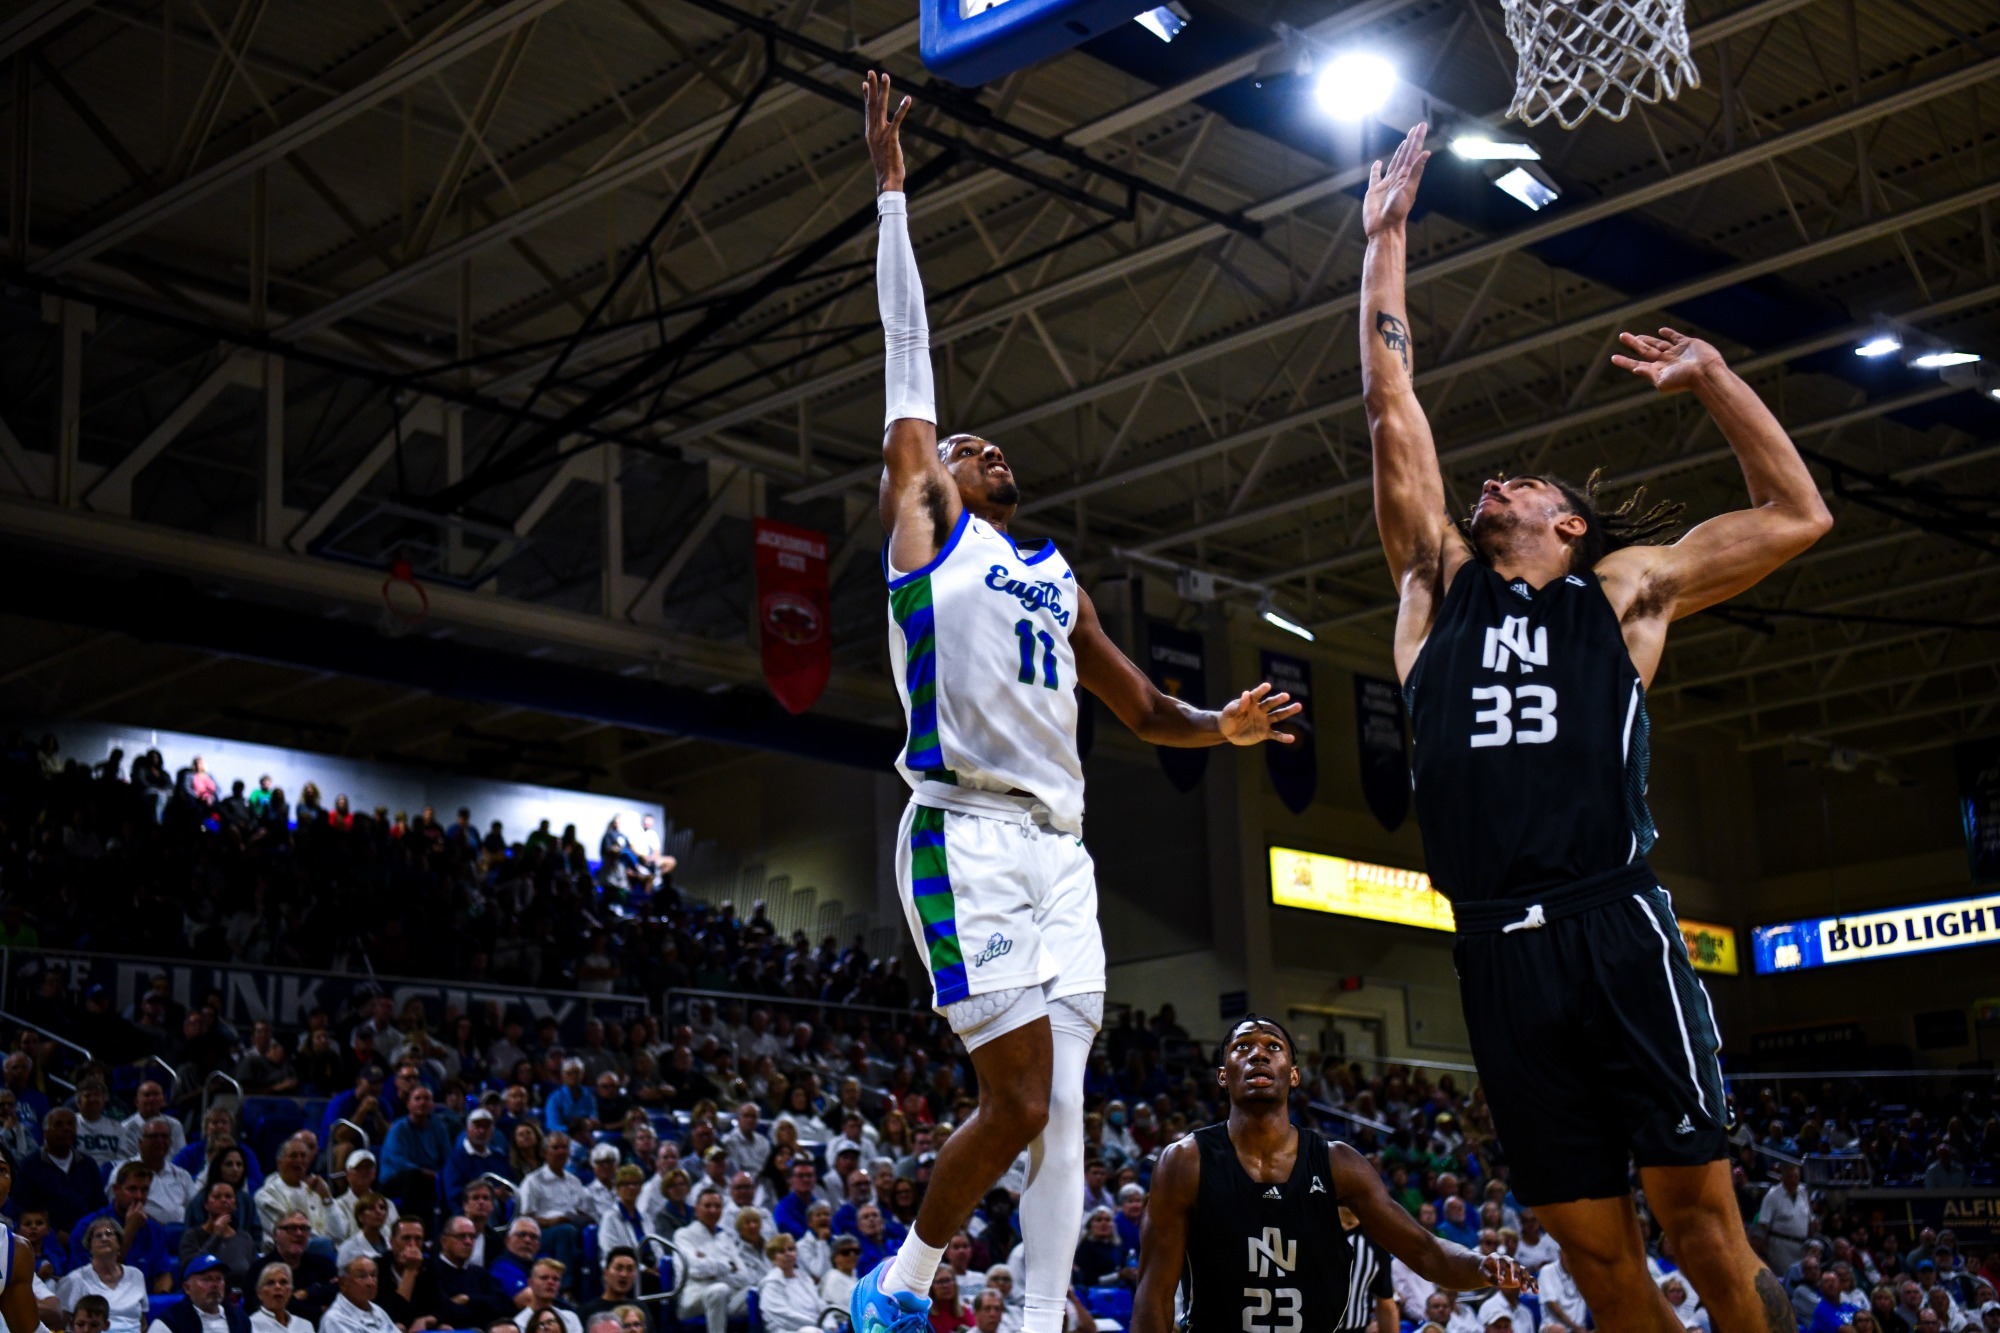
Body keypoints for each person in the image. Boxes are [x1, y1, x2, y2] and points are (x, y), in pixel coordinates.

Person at [1358, 120, 1830, 1333]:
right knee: (1592, 1253)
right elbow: (1387, 402)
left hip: (1608, 919)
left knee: (1699, 1224)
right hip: (1494, 951)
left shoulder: (1618, 592)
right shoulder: (1431, 588)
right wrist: (1385, 240)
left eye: (1520, 482)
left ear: (1568, 525)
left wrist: (1713, 379)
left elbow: (1794, 515)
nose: (1492, 484)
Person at [852, 69, 1301, 1333]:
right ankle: (901, 1284)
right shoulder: (926, 530)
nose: (978, 445)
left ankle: (1044, 1318)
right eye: (957, 439)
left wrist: (1222, 727)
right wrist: (893, 198)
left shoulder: (1054, 578)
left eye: (990, 443)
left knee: (1065, 1110)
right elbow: (906, 358)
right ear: (926, 471)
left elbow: (1148, 707)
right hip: (963, 832)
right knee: (1014, 1102)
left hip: (1062, 850)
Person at [1131, 1016, 1529, 1333]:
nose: (1258, 1055)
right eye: (1242, 1047)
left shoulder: (1338, 1162)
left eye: (1273, 1047)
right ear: (1223, 1075)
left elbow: (1425, 1250)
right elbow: (1154, 1295)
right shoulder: (1184, 1161)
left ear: (1293, 1074)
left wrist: (1481, 1265)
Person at [675, 1190, 753, 1333]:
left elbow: (744, 1277)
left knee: (756, 1291)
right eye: (708, 1206)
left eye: (717, 1206)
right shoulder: (683, 1235)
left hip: (728, 1295)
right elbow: (694, 1269)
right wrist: (727, 1266)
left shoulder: (726, 1237)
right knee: (719, 1290)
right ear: (696, 1209)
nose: (713, 1210)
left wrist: (710, 1267)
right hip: (693, 1298)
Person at [55, 1220, 146, 1333]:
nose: (104, 1238)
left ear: (119, 1243)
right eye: (98, 1235)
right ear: (90, 1246)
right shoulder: (74, 1279)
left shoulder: (136, 1275)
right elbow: (60, 1323)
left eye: (109, 1234)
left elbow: (142, 1322)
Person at [144, 1254, 250, 1333]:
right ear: (187, 1288)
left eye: (219, 1279)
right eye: (206, 1279)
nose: (215, 1285)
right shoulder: (169, 1323)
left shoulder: (240, 1319)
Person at [179, 1183, 256, 1286]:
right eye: (217, 1197)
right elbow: (191, 1268)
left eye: (228, 1197)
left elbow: (255, 1275)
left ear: (235, 1205)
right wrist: (216, 1237)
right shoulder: (192, 1236)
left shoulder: (244, 1238)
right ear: (206, 1204)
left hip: (238, 1297)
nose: (223, 1200)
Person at [760, 1234, 824, 1333]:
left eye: (791, 1249)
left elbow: (821, 1304)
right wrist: (818, 1324)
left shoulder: (805, 1277)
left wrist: (828, 1322)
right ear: (773, 1258)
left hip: (817, 1326)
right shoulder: (771, 1283)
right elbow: (783, 1317)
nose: (788, 1254)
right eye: (781, 1251)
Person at [316, 1258, 398, 1333]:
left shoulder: (378, 1310)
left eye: (373, 1275)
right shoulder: (334, 1319)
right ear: (343, 1283)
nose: (370, 1283)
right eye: (362, 1276)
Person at [511, 1261, 580, 1333]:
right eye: (544, 1278)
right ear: (530, 1283)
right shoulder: (518, 1324)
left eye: (556, 1279)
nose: (550, 1282)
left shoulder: (571, 1318)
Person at [249, 1261, 312, 1333]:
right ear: (259, 1293)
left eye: (283, 1282)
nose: (278, 1287)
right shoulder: (250, 1325)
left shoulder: (305, 1325)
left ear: (290, 1291)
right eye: (270, 1283)